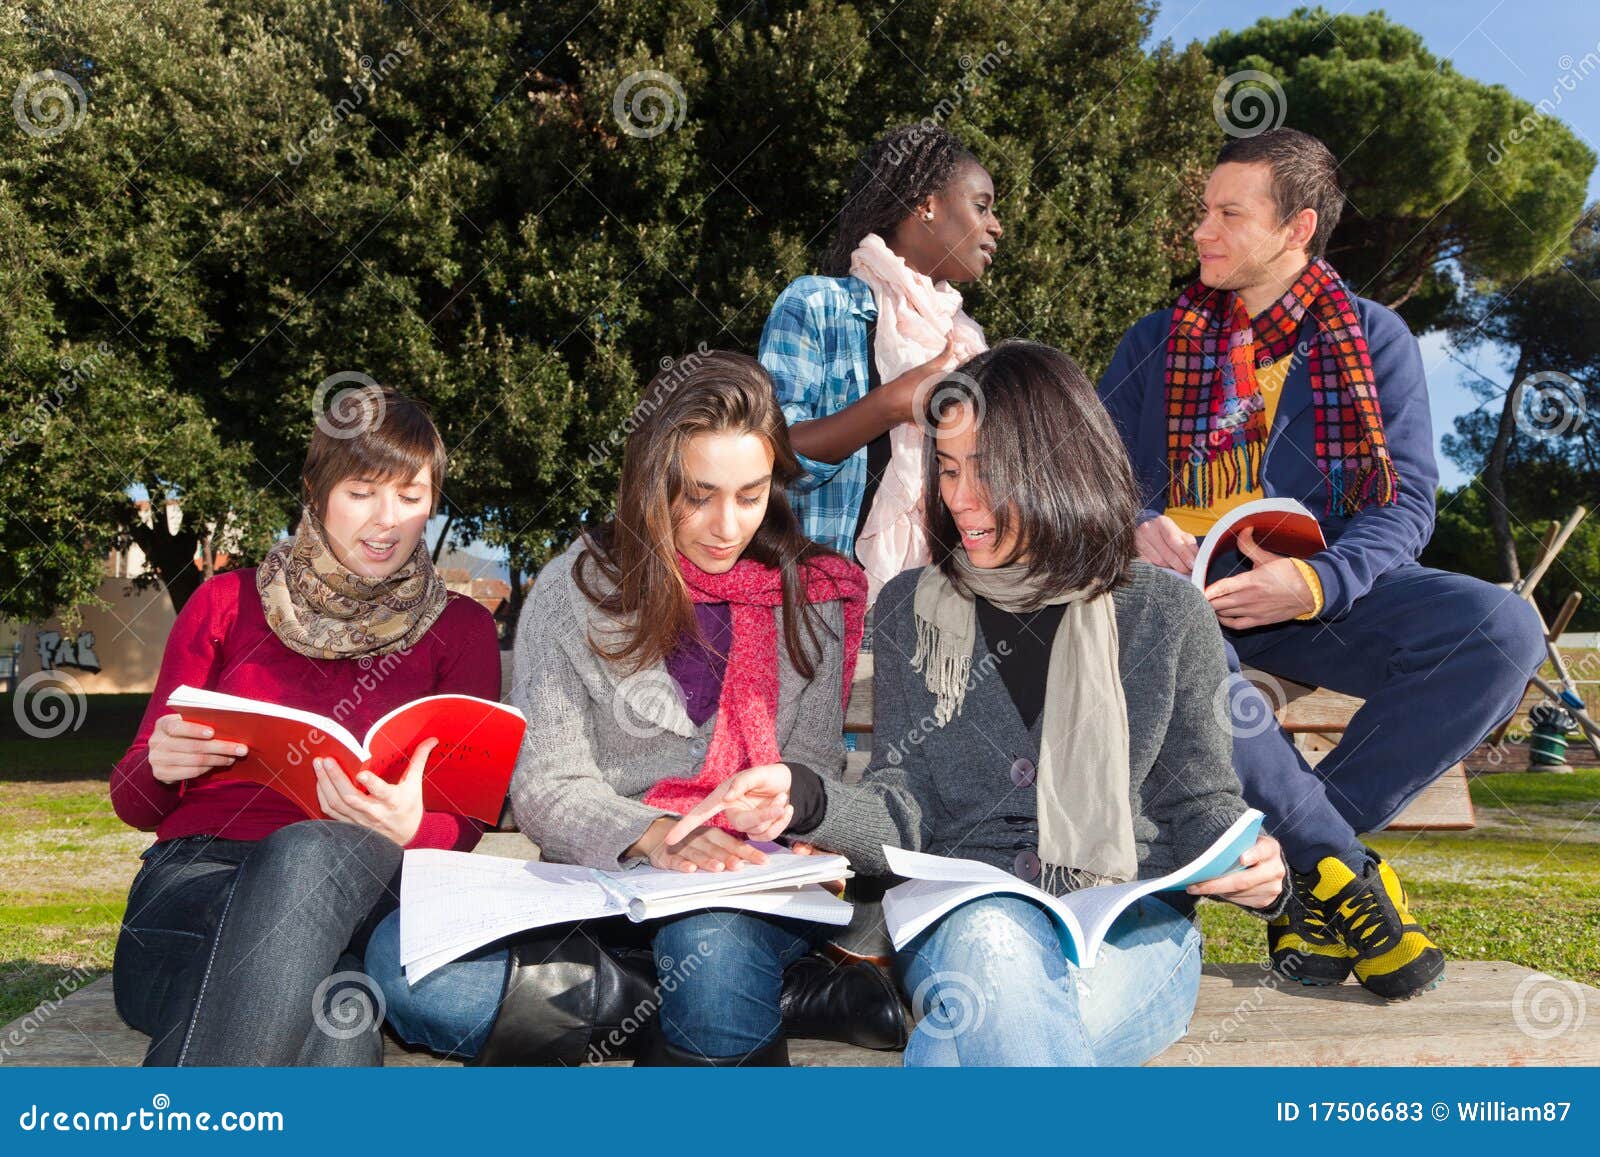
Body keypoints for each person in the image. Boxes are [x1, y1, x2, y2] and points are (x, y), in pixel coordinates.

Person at [672, 341, 1286, 1066]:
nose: (960, 499)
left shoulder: (1166, 612)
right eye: (951, 469)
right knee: (995, 952)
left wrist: (1257, 866)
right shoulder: (911, 609)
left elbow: (1198, 802)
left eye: (987, 471)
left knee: (959, 1046)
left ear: (1059, 464)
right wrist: (805, 798)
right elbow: (904, 803)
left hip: (1134, 934)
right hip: (961, 924)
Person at [1095, 127, 1546, 999]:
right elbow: (1088, 481)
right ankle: (1340, 867)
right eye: (1202, 211)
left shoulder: (1375, 339)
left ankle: (1298, 874)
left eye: (1228, 213)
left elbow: (1407, 503)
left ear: (1297, 229)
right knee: (1171, 616)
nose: (1201, 231)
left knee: (1501, 626)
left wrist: (1312, 581)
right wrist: (1137, 521)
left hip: (1316, 599)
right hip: (1171, 600)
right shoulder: (1153, 342)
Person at [363, 351, 889, 1066]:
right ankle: (751, 1002)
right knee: (402, 963)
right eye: (698, 495)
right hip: (597, 892)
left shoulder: (812, 594)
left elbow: (816, 764)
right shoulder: (571, 590)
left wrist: (783, 806)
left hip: (747, 892)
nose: (726, 524)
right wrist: (653, 834)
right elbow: (546, 785)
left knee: (710, 938)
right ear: (651, 481)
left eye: (751, 492)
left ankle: (707, 996)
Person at [109, 386, 500, 1065]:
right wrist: (158, 763)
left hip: (357, 891)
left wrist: (414, 828)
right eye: (362, 492)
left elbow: (464, 819)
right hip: (192, 892)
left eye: (411, 496)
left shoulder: (461, 631)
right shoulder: (223, 603)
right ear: (317, 491)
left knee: (312, 851)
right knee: (339, 1024)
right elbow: (134, 801)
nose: (387, 520)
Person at [759, 123, 1001, 599]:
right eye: (982, 205)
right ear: (927, 205)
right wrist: (890, 406)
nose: (997, 226)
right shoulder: (817, 306)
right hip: (825, 616)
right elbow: (769, 456)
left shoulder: (970, 343)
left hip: (949, 616)